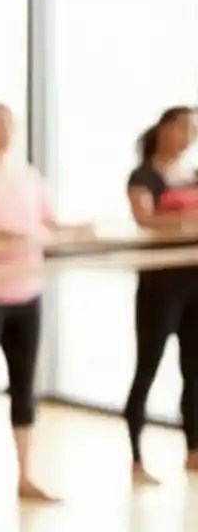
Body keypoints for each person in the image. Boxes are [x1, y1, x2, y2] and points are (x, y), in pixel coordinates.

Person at [0, 103, 89, 515]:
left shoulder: (29, 178)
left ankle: (25, 475)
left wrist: (82, 229)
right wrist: (13, 234)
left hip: (27, 293)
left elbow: (51, 224)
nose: (5, 131)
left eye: (10, 124)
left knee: (23, 386)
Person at [123, 105, 198, 484]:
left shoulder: (195, 175)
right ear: (165, 129)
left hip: (194, 283)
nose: (190, 136)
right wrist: (185, 222)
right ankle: (137, 458)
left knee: (195, 371)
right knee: (148, 368)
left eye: (195, 129)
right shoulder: (144, 174)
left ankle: (194, 451)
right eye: (184, 127)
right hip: (159, 286)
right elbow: (144, 218)